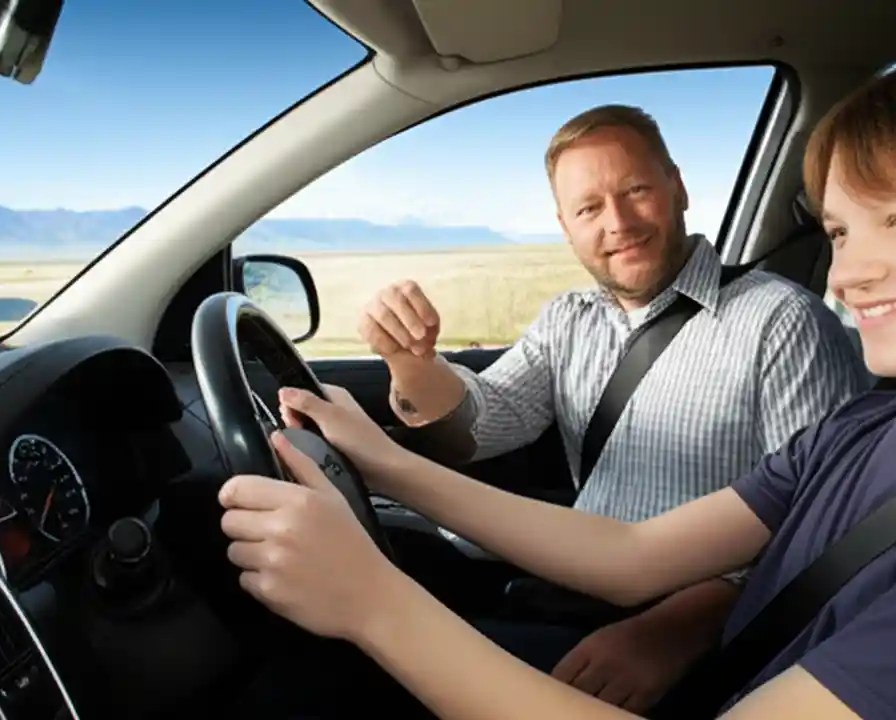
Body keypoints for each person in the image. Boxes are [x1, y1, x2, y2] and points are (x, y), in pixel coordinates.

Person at [220, 56, 896, 719]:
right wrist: (384, 460)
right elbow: (631, 553)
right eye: (845, 232)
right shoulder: (870, 424)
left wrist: (374, 604)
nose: (849, 276)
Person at [356, 103, 868, 708]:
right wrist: (410, 361)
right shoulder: (568, 320)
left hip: (705, 632)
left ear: (677, 187)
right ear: (565, 225)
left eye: (636, 190)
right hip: (570, 589)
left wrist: (679, 630)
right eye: (589, 208)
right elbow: (481, 424)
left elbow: (825, 532)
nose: (618, 222)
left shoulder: (781, 322)